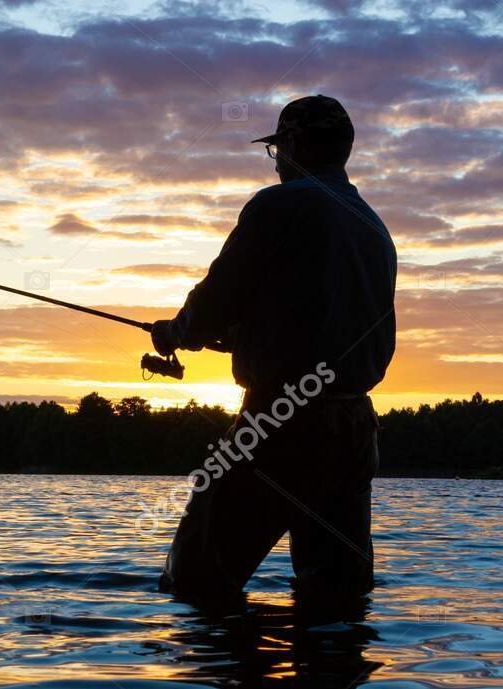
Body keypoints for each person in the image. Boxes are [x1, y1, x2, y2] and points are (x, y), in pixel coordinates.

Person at [151, 94, 397, 608]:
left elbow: (214, 304)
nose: (277, 162)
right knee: (335, 596)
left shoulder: (276, 206)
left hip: (279, 424)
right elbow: (320, 321)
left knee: (195, 580)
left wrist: (175, 333)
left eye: (277, 148)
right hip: (354, 430)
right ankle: (329, 682)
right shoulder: (375, 227)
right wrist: (247, 337)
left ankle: (234, 682)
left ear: (292, 145)